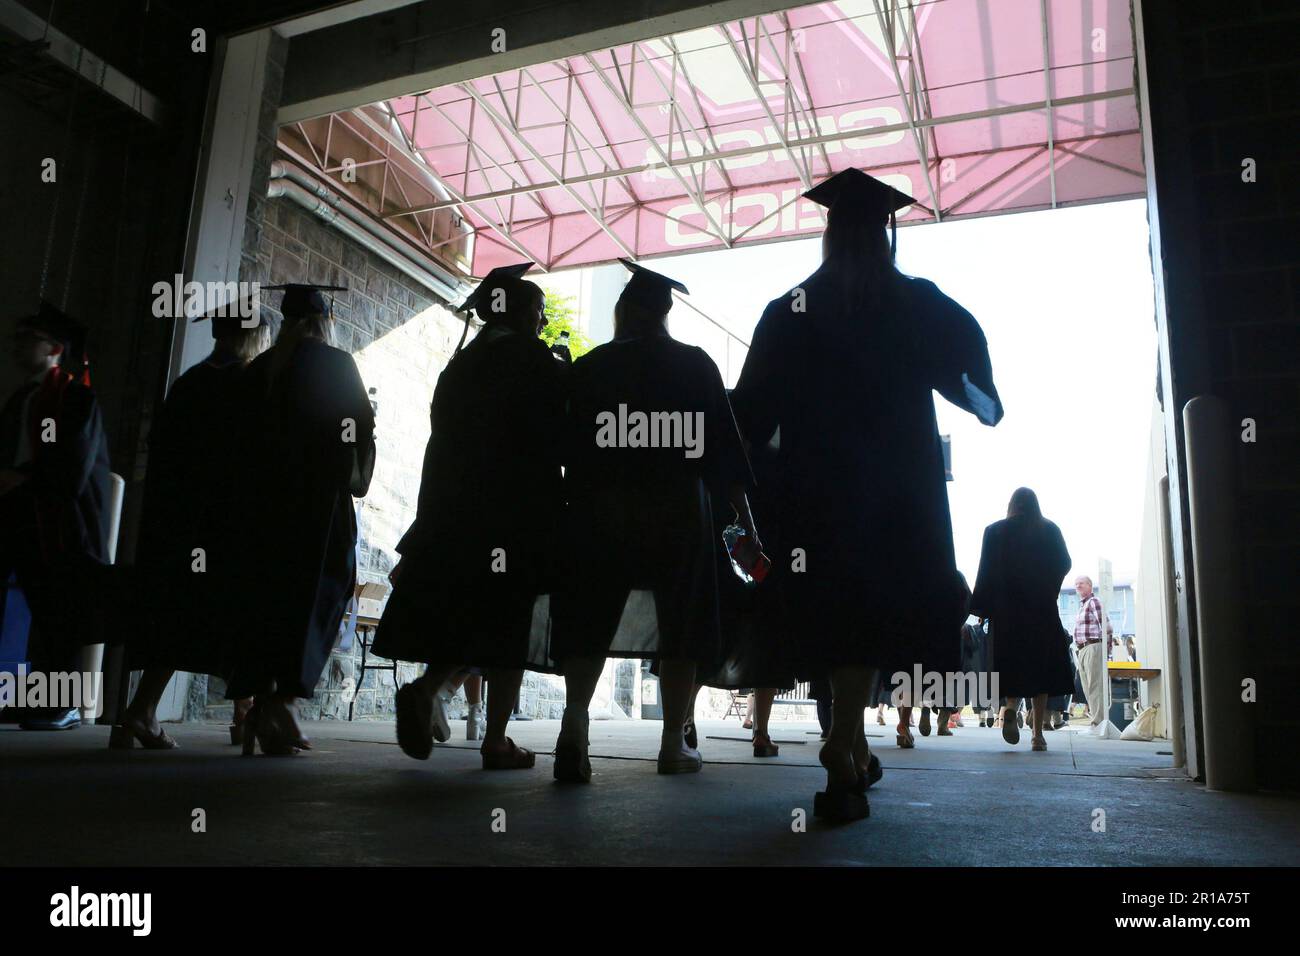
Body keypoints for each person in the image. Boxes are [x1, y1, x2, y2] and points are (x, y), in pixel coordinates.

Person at [729, 167, 1003, 821]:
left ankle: (847, 748)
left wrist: (745, 505)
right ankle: (844, 749)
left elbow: (749, 422)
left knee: (830, 612)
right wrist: (968, 391)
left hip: (810, 494)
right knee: (873, 614)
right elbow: (979, 396)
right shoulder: (913, 301)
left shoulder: (789, 309)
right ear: (885, 235)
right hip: (896, 497)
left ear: (828, 234)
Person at [551, 259, 757, 782]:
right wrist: (747, 524)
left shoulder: (591, 366)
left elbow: (564, 447)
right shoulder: (696, 366)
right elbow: (726, 456)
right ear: (667, 312)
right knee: (682, 620)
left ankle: (574, 727)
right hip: (678, 509)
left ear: (624, 311)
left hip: (603, 507)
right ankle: (672, 744)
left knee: (590, 615)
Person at [374, 263, 564, 770]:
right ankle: (496, 739)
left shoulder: (459, 365)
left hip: (452, 513)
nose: (543, 323)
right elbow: (554, 432)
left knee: (470, 612)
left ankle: (433, 688)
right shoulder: (530, 357)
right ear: (522, 313)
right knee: (509, 619)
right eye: (539, 311)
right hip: (513, 512)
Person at [110, 298, 270, 750]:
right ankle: (244, 718)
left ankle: (139, 711)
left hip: (175, 519)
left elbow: (159, 447)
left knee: (173, 616)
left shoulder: (189, 382)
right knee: (238, 613)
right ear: (254, 336)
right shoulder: (249, 382)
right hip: (224, 520)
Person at [226, 283, 375, 755]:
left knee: (265, 599)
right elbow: (357, 431)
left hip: (262, 508)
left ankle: (260, 709)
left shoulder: (262, 369)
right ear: (323, 321)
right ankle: (283, 703)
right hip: (317, 504)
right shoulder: (336, 365)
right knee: (319, 595)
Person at [0, 303, 112, 731]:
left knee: (57, 611)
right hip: (19, 513)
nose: (17, 345)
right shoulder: (22, 397)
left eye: (28, 338)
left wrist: (23, 478)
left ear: (54, 348)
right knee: (27, 607)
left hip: (57, 519)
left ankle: (59, 703)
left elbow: (72, 463)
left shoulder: (73, 397)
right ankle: (22, 697)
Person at [970, 488, 1074, 751]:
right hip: (1041, 609)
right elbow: (1065, 562)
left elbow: (986, 570)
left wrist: (985, 607)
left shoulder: (994, 531)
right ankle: (1038, 735)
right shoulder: (1050, 530)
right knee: (1041, 669)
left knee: (1011, 664)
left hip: (1007, 612)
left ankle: (1010, 708)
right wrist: (1049, 588)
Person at [1072, 574, 1114, 735]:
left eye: (1081, 583)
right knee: (1088, 687)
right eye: (1076, 584)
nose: (1078, 586)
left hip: (1093, 646)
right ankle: (1096, 722)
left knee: (1095, 686)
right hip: (1082, 649)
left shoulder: (1094, 602)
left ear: (1090, 586)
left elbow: (1107, 627)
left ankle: (1098, 723)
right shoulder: (1082, 606)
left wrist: (1106, 651)